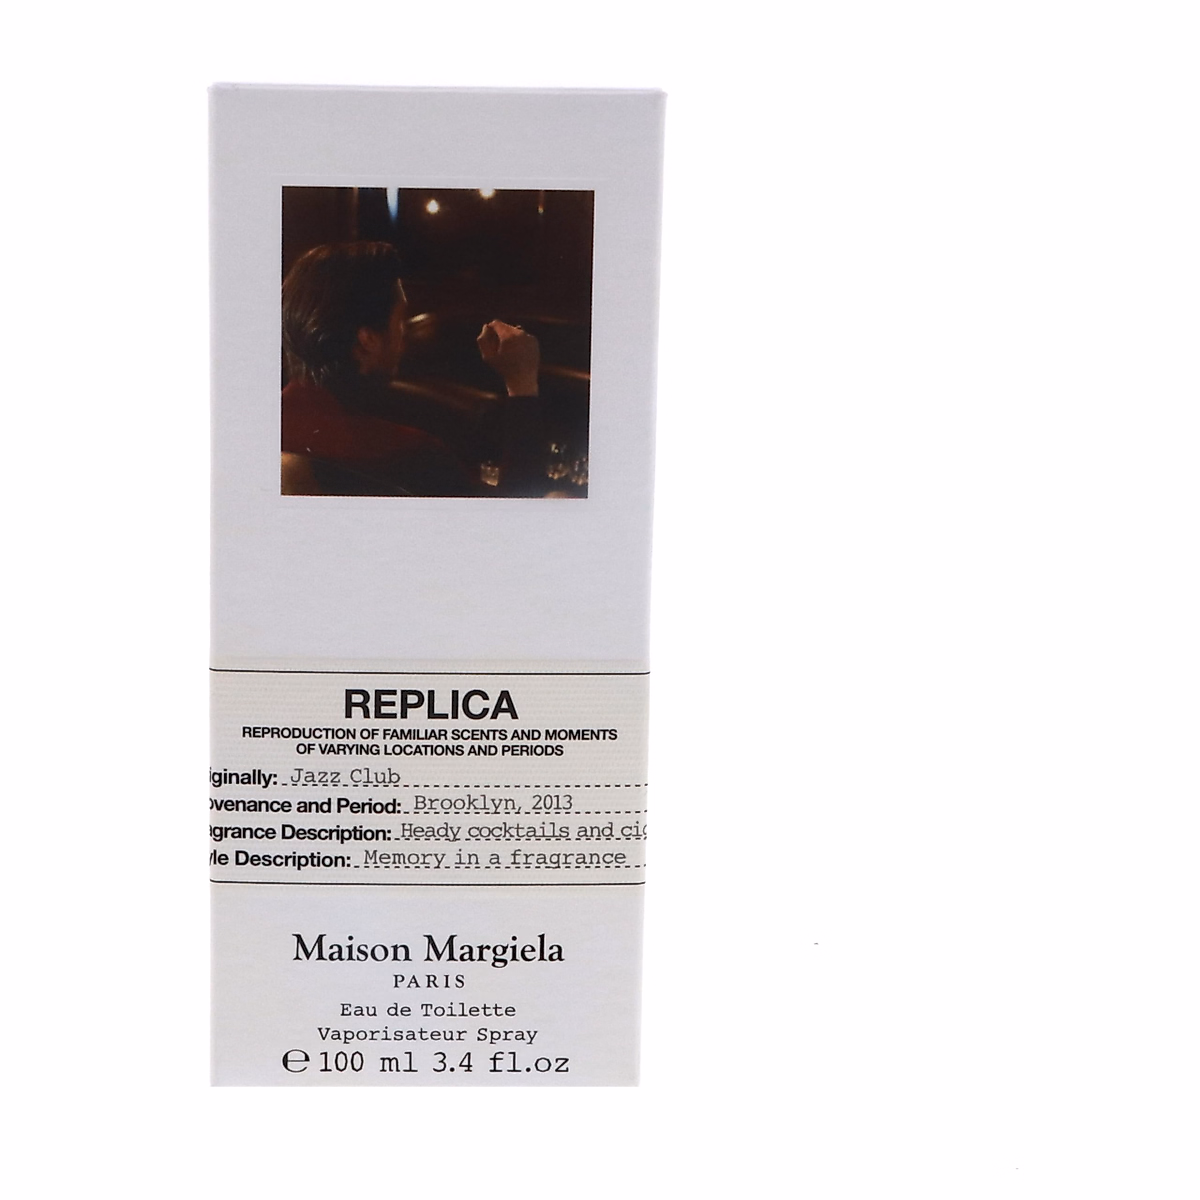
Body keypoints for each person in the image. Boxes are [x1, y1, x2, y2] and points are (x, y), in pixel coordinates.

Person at [280, 241, 544, 496]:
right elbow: (515, 517)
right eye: (400, 320)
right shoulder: (411, 455)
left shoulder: (260, 430)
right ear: (367, 340)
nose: (403, 336)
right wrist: (522, 384)